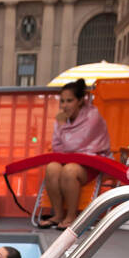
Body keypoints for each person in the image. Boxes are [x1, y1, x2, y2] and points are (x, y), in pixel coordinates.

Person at [44, 78, 112, 229]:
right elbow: (57, 146)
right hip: (70, 160)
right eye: (62, 101)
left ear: (80, 101)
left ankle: (71, 216)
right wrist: (62, 128)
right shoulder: (63, 118)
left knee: (70, 170)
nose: (64, 105)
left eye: (69, 101)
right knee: (52, 168)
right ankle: (58, 215)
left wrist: (62, 126)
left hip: (92, 162)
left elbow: (72, 144)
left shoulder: (92, 117)